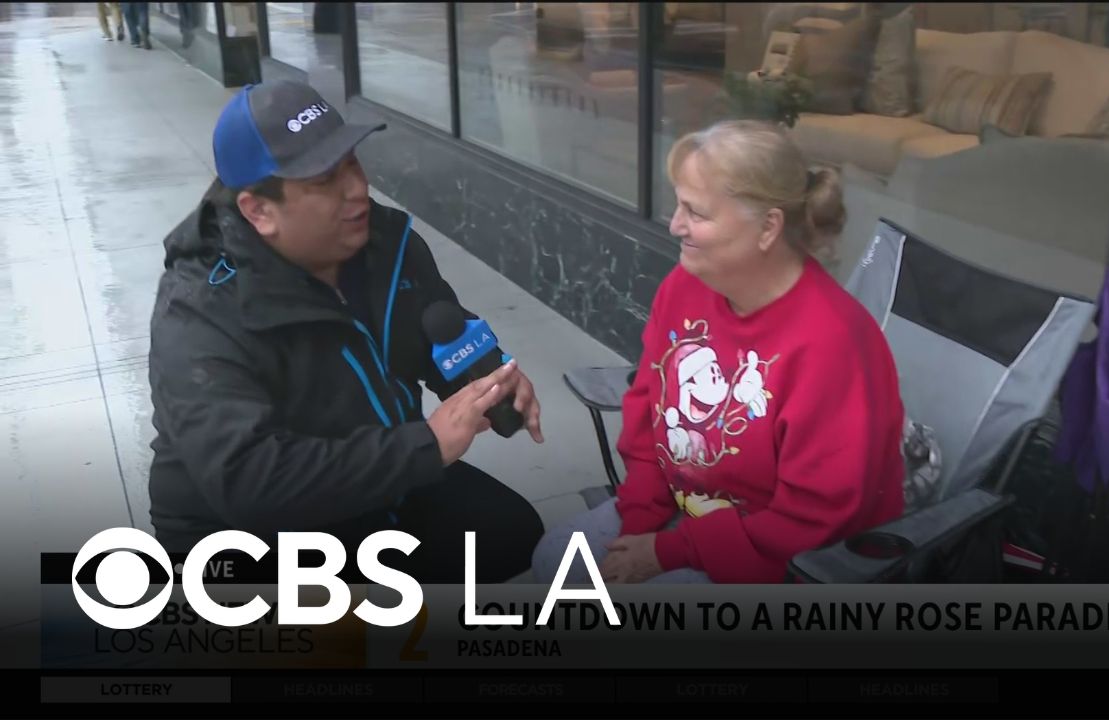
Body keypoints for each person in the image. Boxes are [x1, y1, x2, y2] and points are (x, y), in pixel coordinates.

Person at [148, 80, 545, 583]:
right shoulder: (198, 312)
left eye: (352, 163)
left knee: (512, 534)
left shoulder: (388, 243)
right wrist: (425, 446)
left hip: (379, 478)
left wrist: (486, 379)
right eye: (322, 179)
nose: (356, 189)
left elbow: (443, 331)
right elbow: (250, 482)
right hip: (249, 536)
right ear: (259, 211)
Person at [532, 120, 906, 584]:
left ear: (768, 227)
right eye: (678, 205)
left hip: (784, 558)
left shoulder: (834, 345)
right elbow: (648, 412)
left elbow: (811, 520)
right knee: (554, 559)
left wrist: (667, 551)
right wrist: (637, 524)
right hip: (688, 512)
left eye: (697, 212)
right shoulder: (685, 287)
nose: (674, 225)